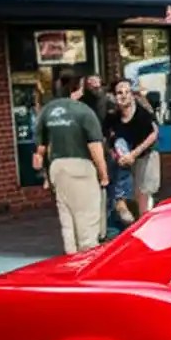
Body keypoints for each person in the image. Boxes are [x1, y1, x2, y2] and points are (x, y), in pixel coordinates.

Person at [33, 73, 109, 254]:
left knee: (68, 223)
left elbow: (40, 150)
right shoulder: (83, 112)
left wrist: (45, 175)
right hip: (81, 167)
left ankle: (71, 263)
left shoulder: (47, 111)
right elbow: (95, 147)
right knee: (87, 223)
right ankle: (87, 266)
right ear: (80, 87)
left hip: (57, 169)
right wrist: (104, 175)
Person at [104, 79, 160, 217]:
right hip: (124, 159)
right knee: (125, 190)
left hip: (144, 155)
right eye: (119, 93)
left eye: (127, 92)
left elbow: (153, 134)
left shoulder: (142, 113)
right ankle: (123, 210)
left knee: (142, 192)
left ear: (132, 95)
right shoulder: (112, 117)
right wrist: (116, 156)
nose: (123, 96)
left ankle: (144, 219)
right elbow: (107, 140)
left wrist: (134, 154)